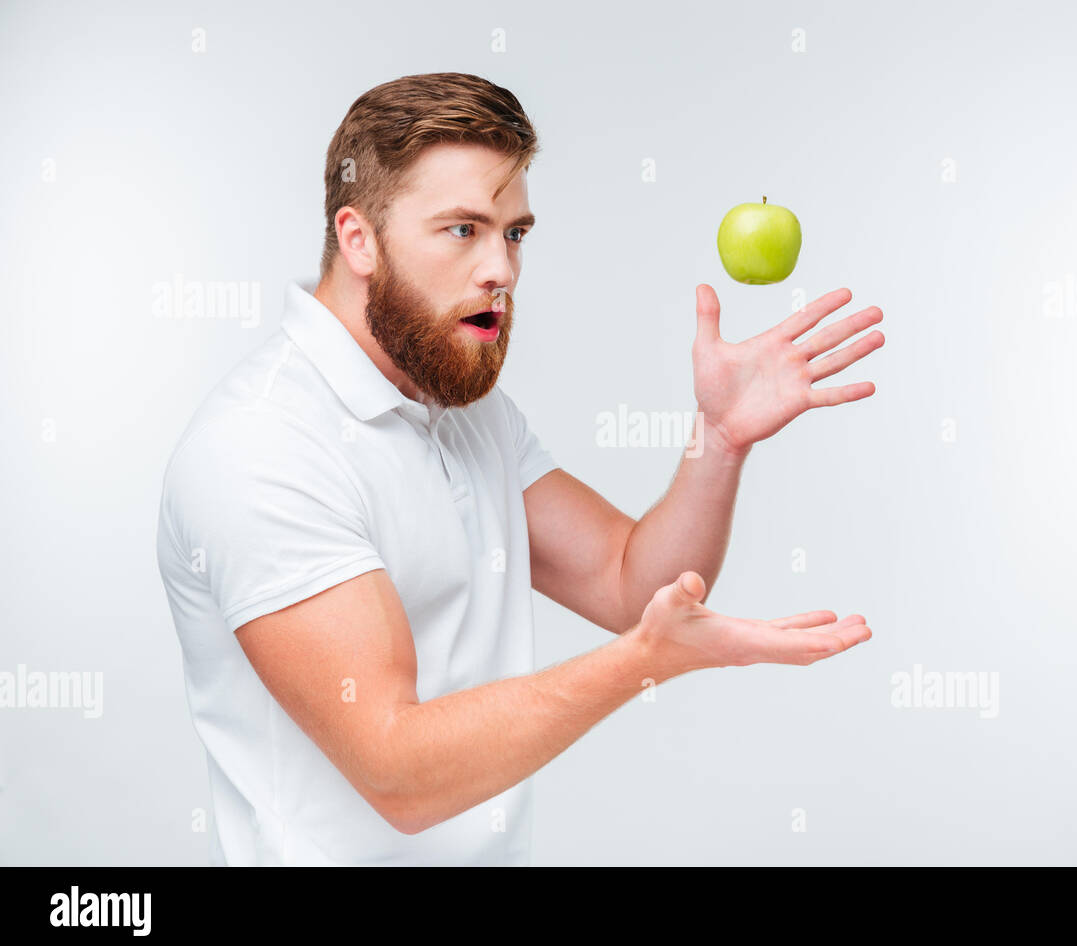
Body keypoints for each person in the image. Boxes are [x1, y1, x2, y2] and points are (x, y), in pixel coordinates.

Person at [155, 72, 886, 866]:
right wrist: (642, 661)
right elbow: (397, 770)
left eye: (515, 233)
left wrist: (720, 439)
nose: (500, 268)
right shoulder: (265, 445)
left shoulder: (463, 408)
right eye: (463, 230)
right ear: (358, 237)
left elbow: (631, 582)